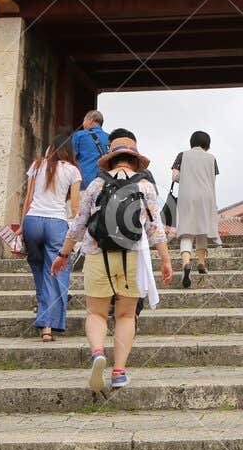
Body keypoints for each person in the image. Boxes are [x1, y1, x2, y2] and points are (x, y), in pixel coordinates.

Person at [52, 133, 172, 392]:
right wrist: (165, 260)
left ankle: (97, 353)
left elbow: (78, 225)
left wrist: (63, 256)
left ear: (112, 159)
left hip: (97, 255)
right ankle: (119, 372)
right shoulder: (146, 187)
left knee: (96, 313)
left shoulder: (95, 184)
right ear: (134, 161)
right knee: (126, 315)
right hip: (131, 257)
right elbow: (155, 228)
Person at [20, 133, 80, 342]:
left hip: (32, 222)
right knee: (56, 272)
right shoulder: (73, 171)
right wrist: (77, 232)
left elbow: (28, 200)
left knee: (39, 268)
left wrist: (21, 227)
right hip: (56, 223)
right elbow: (74, 207)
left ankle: (42, 306)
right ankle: (48, 325)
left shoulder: (37, 165)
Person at [171, 130, 221, 289]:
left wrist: (187, 179)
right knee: (202, 229)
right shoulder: (212, 158)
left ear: (191, 142)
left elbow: (175, 176)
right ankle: (201, 263)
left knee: (187, 231)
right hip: (206, 197)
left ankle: (186, 263)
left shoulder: (182, 155)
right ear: (207, 144)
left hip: (187, 196)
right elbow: (213, 178)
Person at [71, 110, 110, 188]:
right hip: (104, 183)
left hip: (83, 182)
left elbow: (70, 158)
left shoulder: (80, 135)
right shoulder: (110, 138)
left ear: (90, 120)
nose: (83, 124)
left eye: (84, 120)